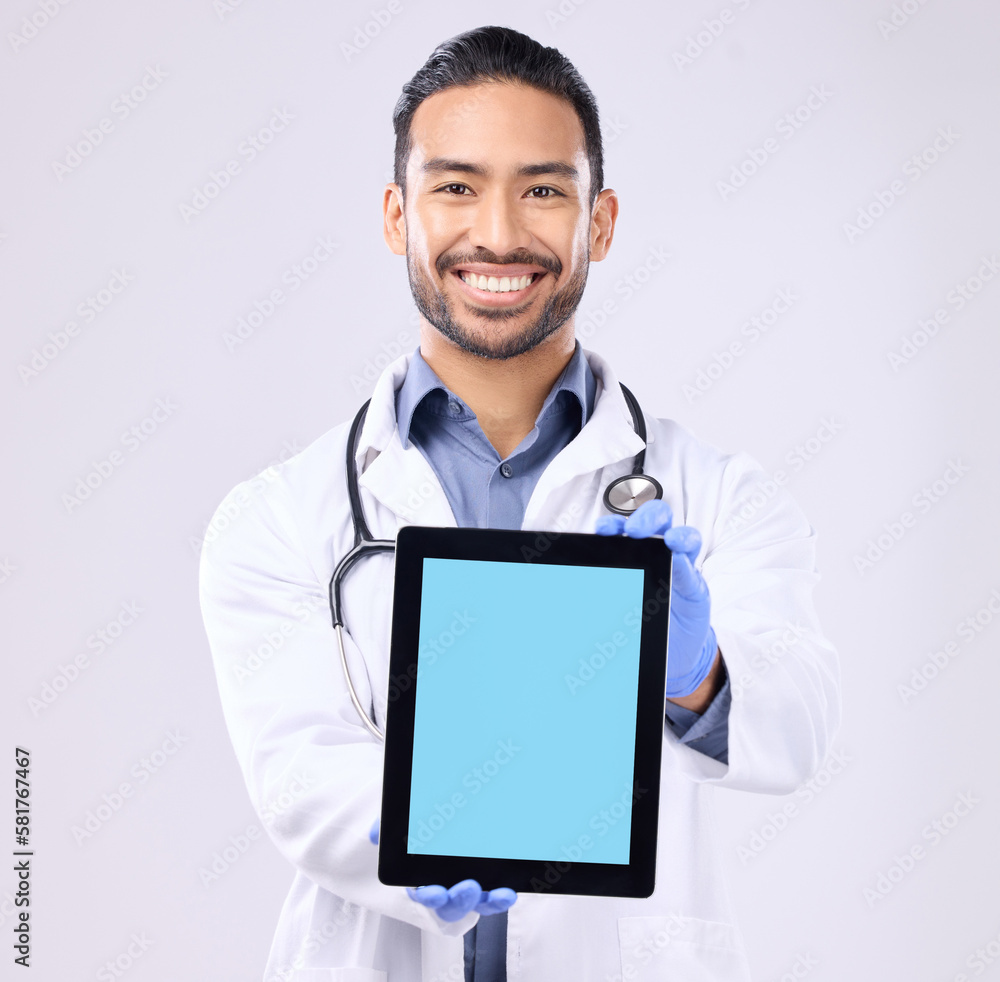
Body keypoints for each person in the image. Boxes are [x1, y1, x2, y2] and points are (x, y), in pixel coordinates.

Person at [199, 25, 840, 982]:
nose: (498, 233)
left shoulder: (719, 496)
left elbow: (799, 723)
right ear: (395, 216)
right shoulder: (278, 517)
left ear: (603, 222)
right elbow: (295, 774)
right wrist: (413, 837)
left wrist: (696, 671)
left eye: (543, 189)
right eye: (455, 186)